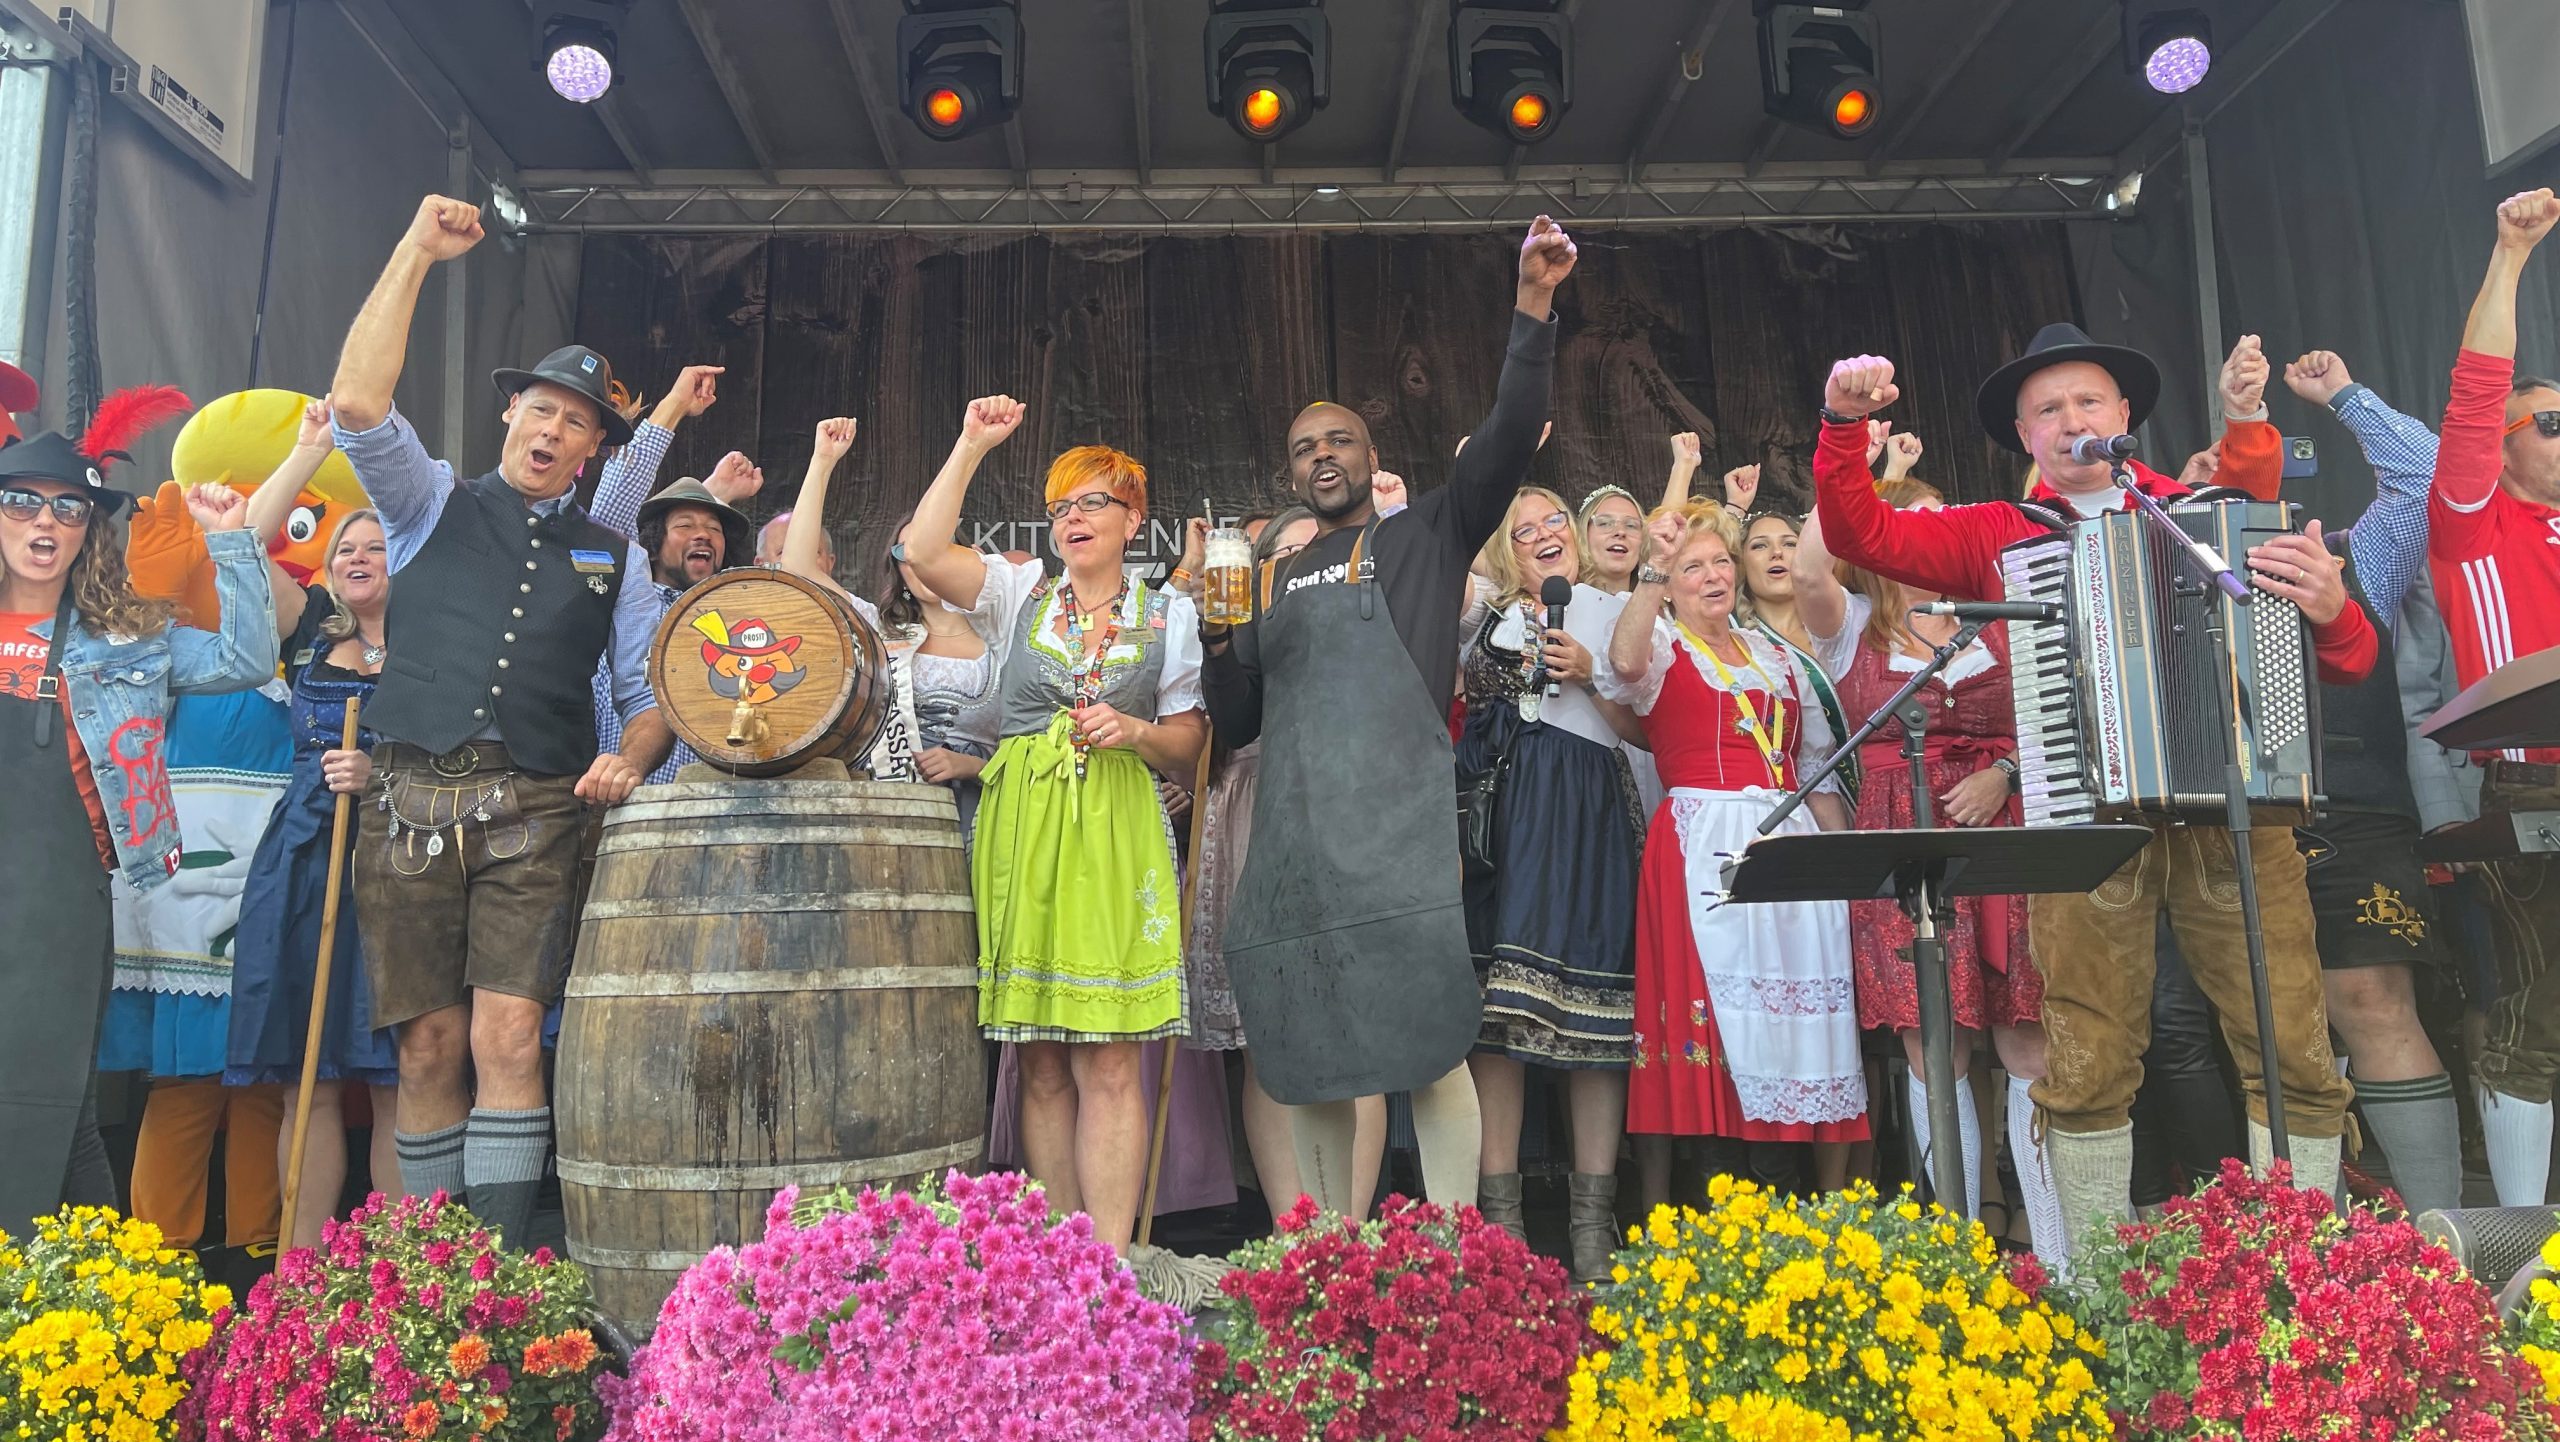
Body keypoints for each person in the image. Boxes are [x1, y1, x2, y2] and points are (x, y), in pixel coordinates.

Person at [1813, 328, 2378, 1251]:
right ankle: (2101, 1282)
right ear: (2025, 440)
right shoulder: (1999, 533)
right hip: (2079, 812)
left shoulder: (2209, 517)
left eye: (2087, 402)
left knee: (2290, 1039)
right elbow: (1857, 532)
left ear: (2123, 418)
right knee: (2086, 1046)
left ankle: (2303, 1258)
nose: (2071, 420)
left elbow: (2348, 661)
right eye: (2048, 410)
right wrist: (1843, 427)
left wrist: (2330, 607)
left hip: (2236, 808)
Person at [1202, 216, 1577, 1216]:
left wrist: (1532, 306)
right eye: (1302, 449)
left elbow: (1506, 432)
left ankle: (1455, 1254)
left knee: (1426, 1044)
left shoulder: (1425, 536)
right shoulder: (1268, 579)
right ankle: (1332, 1249)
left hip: (1401, 837)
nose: (1320, 455)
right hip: (1298, 843)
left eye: (1338, 441)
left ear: (1371, 457)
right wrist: (1210, 638)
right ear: (1289, 475)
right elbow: (1236, 722)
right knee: (1319, 1055)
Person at [329, 194, 674, 1246]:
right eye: (541, 408)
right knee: (429, 1047)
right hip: (409, 802)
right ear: (509, 417)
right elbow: (354, 399)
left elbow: (655, 696)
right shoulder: (427, 502)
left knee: (511, 1034)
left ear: (592, 453)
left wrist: (627, 755)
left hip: (536, 808)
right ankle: (434, 1269)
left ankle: (505, 1267)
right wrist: (414, 248)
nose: (554, 427)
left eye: (576, 421)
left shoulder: (618, 557)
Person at [902, 398, 1208, 1254]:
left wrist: (1138, 731)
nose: (1073, 518)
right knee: (1037, 1055)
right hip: (1024, 827)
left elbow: (1189, 747)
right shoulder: (1016, 595)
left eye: (1094, 502)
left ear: (1133, 519)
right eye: (1062, 505)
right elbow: (923, 551)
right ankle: (1062, 1262)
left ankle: (1107, 1265)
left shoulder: (1168, 615)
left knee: (1108, 1054)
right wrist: (969, 445)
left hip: (1117, 828)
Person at [0, 431, 276, 1230]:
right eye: (22, 501)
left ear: (90, 530)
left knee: (53, 1104)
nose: (44, 520)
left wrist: (230, 539)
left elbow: (247, 660)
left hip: (59, 900)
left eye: (69, 507)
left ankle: (93, 1313)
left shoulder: (126, 637)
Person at [1794, 481, 2061, 1256]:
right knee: (1934, 1044)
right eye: (1905, 526)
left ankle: (2055, 1251)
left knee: (2027, 1039)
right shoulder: (1849, 627)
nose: (1929, 536)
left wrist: (2004, 772)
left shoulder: (1992, 613)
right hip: (1902, 836)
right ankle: (1961, 1249)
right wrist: (1855, 465)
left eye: (1940, 524)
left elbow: (2054, 716)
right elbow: (1811, 570)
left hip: (2001, 832)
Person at [1598, 502, 1864, 1200]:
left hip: (1790, 845)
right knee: (1720, 1010)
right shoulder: (1662, 646)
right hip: (1703, 844)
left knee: (1790, 1014)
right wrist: (1652, 572)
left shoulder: (1778, 656)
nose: (1712, 576)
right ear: (1670, 582)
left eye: (1720, 561)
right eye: (1693, 567)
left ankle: (1786, 1189)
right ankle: (1722, 1195)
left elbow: (1815, 771)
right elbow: (1621, 662)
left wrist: (1857, 869)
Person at [2263, 347, 2464, 1216]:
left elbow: (2426, 479)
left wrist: (2345, 397)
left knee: (2373, 999)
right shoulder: (2164, 565)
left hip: (2359, 805)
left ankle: (2441, 1243)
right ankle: (2300, 1249)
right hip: (2227, 820)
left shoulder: (2353, 556)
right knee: (2259, 1024)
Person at [224, 402, 405, 1246]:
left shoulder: (437, 650)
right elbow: (247, 541)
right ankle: (297, 1282)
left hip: (401, 865)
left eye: (375, 546)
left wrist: (381, 773)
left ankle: (404, 1281)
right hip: (302, 863)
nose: (359, 557)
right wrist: (304, 454)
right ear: (328, 573)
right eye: (344, 550)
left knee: (403, 1076)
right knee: (309, 1077)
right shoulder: (304, 638)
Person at [1456, 485, 1645, 1278]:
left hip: (1589, 809)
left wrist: (1595, 676)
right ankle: (1500, 1225)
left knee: (1597, 1024)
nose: (1543, 535)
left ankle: (1591, 1224)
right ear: (1506, 548)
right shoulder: (1484, 613)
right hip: (1503, 819)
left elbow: (1647, 728)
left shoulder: (1612, 610)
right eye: (1521, 527)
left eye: (1552, 522)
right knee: (1496, 1028)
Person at [2424, 187, 2560, 1206]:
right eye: (2550, 421)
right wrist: (2510, 259)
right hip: (2532, 791)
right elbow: (2476, 393)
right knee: (2535, 1008)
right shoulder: (2473, 521)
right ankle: (2517, 1244)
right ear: (2507, 443)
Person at [585, 363, 762, 785]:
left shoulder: (737, 615)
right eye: (684, 526)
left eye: (715, 530)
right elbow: (613, 508)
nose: (703, 535)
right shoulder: (624, 592)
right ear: (652, 544)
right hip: (617, 803)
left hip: (712, 819)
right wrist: (676, 405)